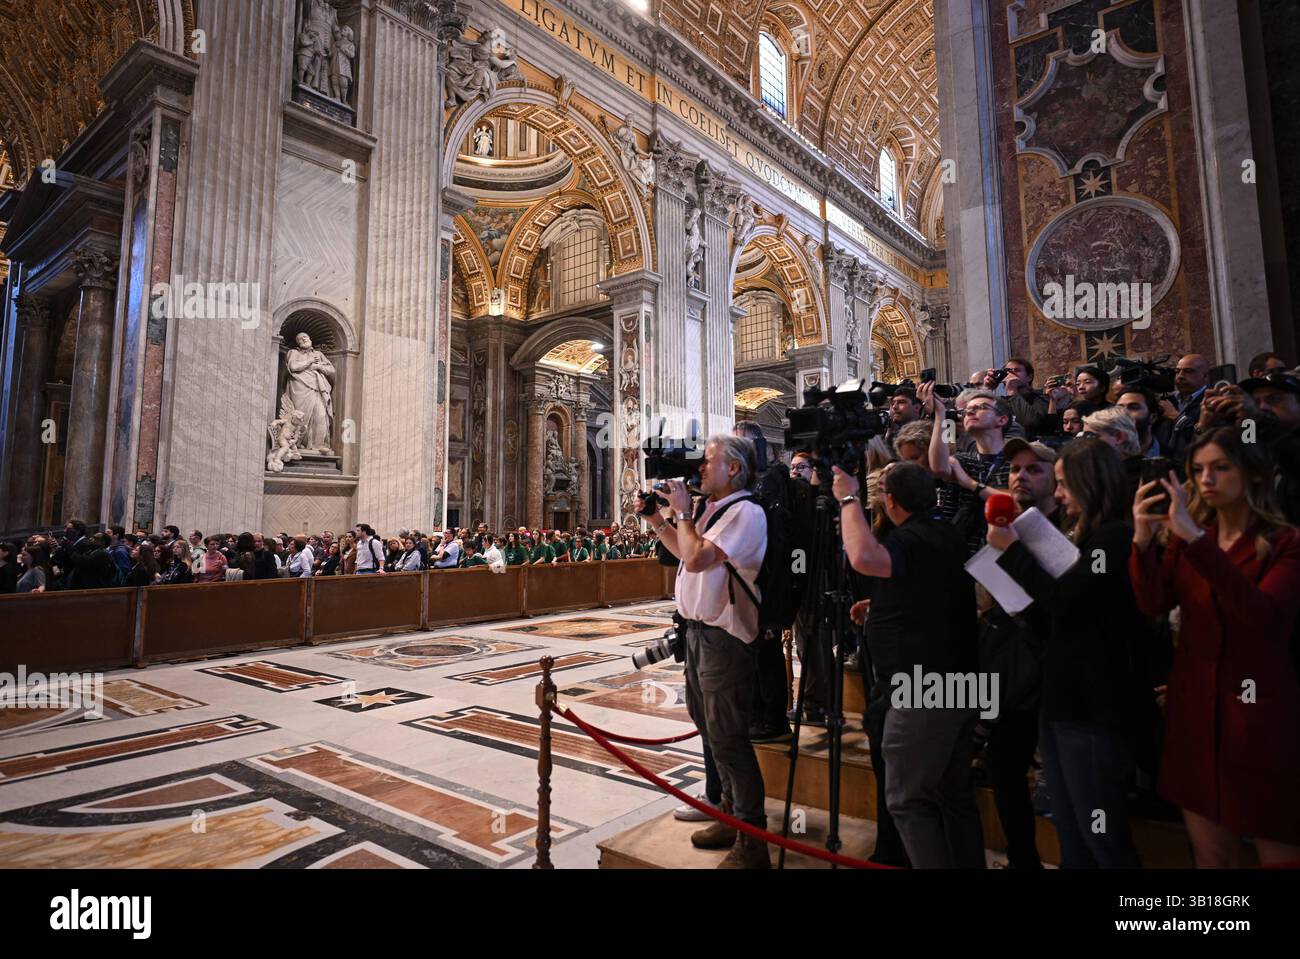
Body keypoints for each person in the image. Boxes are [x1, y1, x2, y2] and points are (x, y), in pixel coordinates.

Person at [1131, 427, 1300, 866]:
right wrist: (1143, 541)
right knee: (1211, 854)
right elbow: (1152, 601)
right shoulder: (1190, 536)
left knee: (1279, 853)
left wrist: (1198, 543)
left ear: (1254, 476)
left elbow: (1261, 618)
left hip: (1259, 713)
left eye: (1221, 468)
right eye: (1199, 469)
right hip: (1195, 709)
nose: (1206, 479)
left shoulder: (1286, 543)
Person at [990, 438, 1154, 868]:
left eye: (1063, 484)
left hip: (1094, 708)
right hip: (1062, 700)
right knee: (1073, 832)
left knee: (1103, 839)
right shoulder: (1083, 537)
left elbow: (1068, 602)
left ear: (1089, 483)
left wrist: (1013, 554)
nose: (1058, 495)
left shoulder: (1113, 539)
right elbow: (1059, 613)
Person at [834, 460, 984, 869]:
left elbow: (864, 557)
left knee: (908, 801)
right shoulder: (946, 531)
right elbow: (930, 591)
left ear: (891, 501)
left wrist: (848, 498)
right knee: (954, 795)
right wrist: (881, 606)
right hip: (963, 680)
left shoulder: (913, 536)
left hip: (922, 686)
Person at [645, 434, 770, 869]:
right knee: (709, 730)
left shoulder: (746, 512)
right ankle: (731, 817)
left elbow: (698, 560)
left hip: (726, 638)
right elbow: (684, 551)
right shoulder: (714, 509)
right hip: (697, 634)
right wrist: (658, 520)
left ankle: (753, 843)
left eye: (709, 460)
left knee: (730, 739)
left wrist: (681, 512)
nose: (699, 467)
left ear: (734, 469)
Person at [981, 438, 1060, 870]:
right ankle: (1022, 859)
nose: (1021, 477)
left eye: (1034, 470)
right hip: (1014, 664)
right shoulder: (1004, 522)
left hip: (1057, 668)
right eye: (1014, 470)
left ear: (1055, 477)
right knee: (1004, 766)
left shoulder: (1069, 526)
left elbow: (1058, 603)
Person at [921, 383, 1012, 556]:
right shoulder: (963, 460)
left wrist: (969, 483)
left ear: (1002, 419)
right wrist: (940, 414)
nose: (969, 412)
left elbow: (1018, 504)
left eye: (980, 407)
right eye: (966, 410)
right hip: (963, 555)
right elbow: (939, 468)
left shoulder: (1016, 461)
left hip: (1005, 554)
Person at [1083, 406, 1143, 499]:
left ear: (1119, 437)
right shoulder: (1100, 473)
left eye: (1090, 436)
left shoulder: (1143, 479)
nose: (1083, 444)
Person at [1164, 354, 1212, 467]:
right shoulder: (1168, 401)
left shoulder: (1213, 401)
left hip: (1199, 465)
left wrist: (1177, 417)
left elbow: (1207, 438)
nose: (1180, 376)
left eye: (1188, 371)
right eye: (1177, 371)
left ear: (1205, 376)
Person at [1116, 386, 1170, 457]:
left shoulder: (1172, 457)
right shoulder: (1102, 455)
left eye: (1133, 407)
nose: (1124, 412)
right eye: (1119, 408)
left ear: (1153, 417)